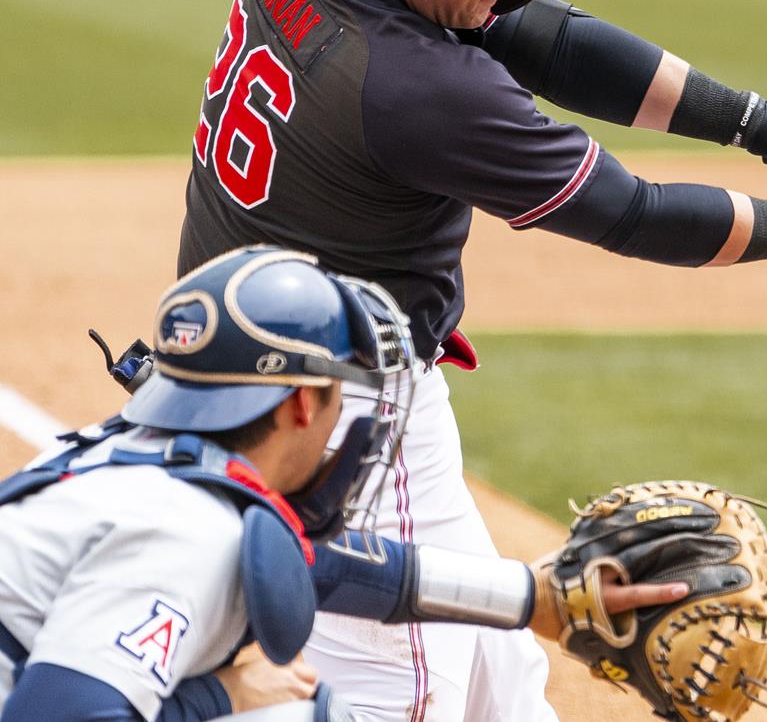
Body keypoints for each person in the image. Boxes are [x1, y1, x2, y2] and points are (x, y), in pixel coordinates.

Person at [176, 0, 767, 722]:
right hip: (333, 415)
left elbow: (547, 40)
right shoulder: (415, 86)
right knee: (397, 697)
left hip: (234, 360)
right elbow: (635, 211)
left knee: (499, 675)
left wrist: (766, 126)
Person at [0, 247, 688, 722]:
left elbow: (312, 562)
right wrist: (220, 693)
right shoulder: (181, 530)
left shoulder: (148, 459)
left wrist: (529, 597)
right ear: (302, 403)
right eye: (342, 389)